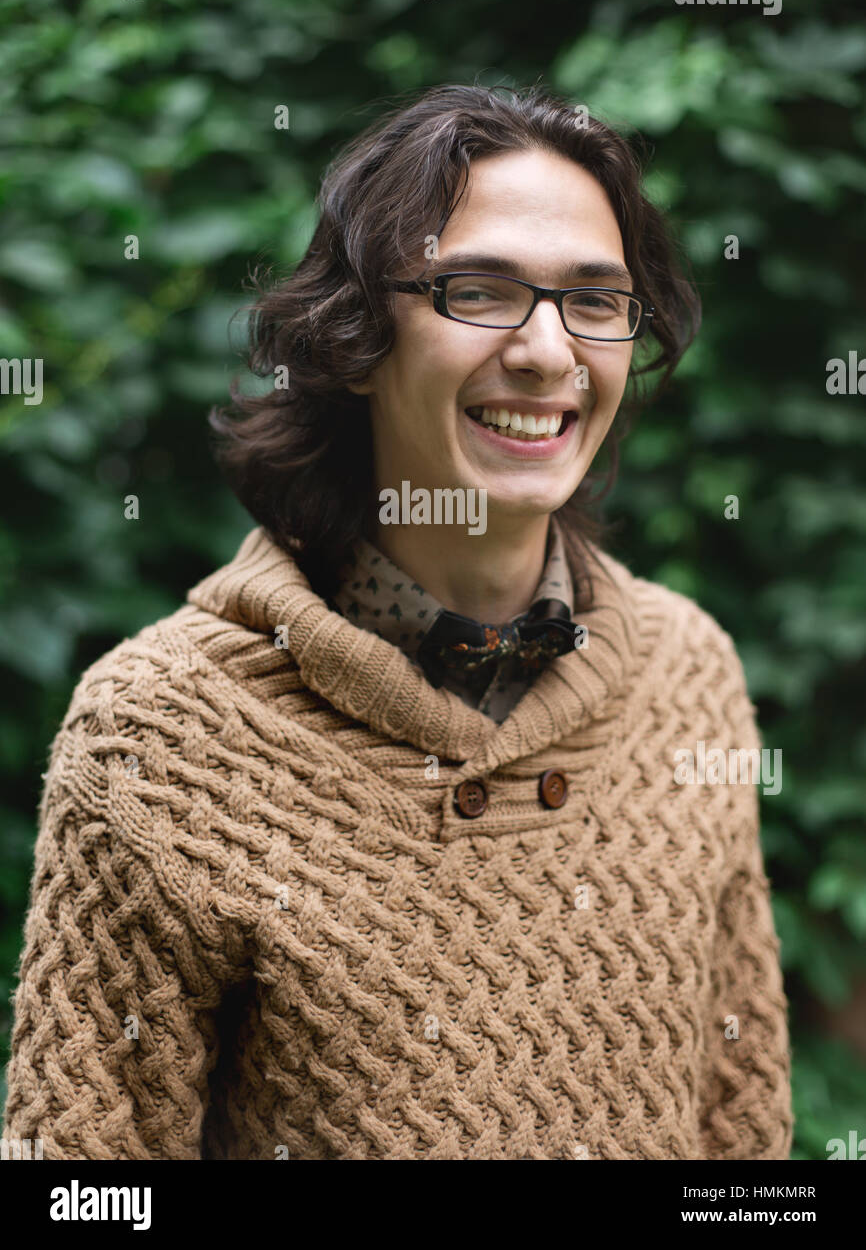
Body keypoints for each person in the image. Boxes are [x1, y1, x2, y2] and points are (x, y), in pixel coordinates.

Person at [2, 83, 793, 1160]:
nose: (547, 354)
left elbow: (739, 1133)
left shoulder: (688, 676)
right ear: (359, 333)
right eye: (479, 291)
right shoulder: (156, 739)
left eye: (593, 301)